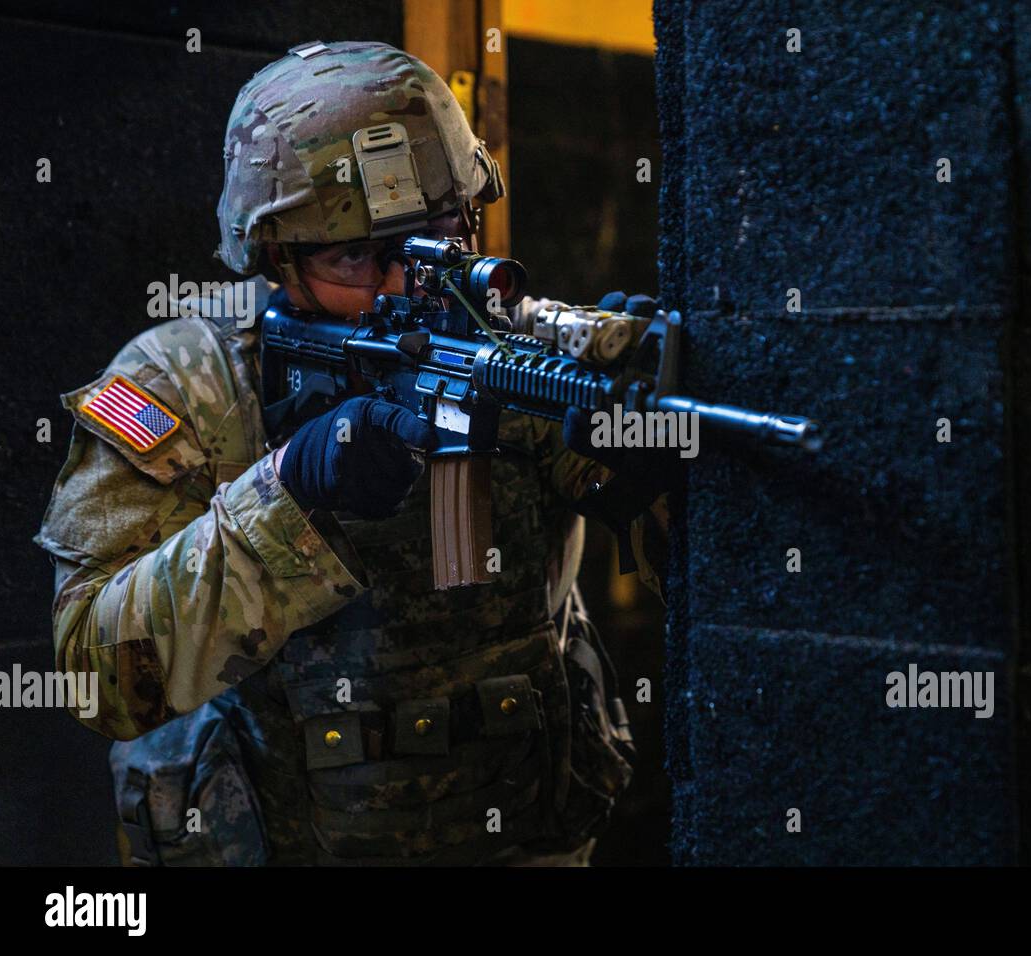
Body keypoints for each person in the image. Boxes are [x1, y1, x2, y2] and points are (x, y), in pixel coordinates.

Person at [33, 40, 668, 866]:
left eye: (436, 241)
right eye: (355, 257)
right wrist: (288, 493)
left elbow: (698, 580)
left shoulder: (509, 352)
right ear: (275, 258)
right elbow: (94, 675)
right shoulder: (185, 384)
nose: (405, 288)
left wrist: (653, 468)